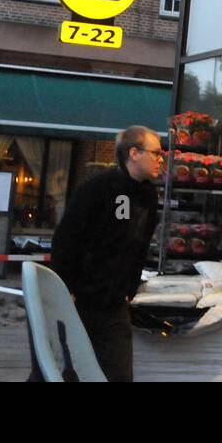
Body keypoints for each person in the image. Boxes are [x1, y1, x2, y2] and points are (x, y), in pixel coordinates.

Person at [37, 125, 162, 381]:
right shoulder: (99, 189)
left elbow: (138, 244)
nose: (161, 159)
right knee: (63, 369)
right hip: (80, 299)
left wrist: (130, 289)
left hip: (114, 304)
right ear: (135, 153)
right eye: (156, 153)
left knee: (118, 373)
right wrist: (66, 287)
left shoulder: (148, 195)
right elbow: (67, 238)